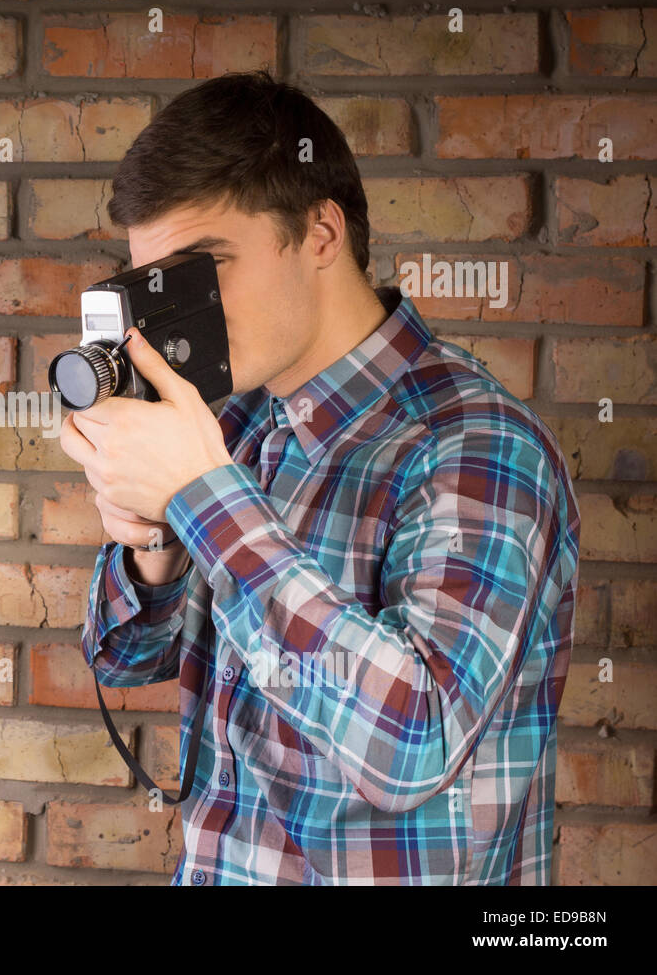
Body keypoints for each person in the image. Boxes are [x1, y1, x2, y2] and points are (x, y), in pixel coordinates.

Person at [58, 70, 580, 885]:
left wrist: (205, 499)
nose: (178, 315)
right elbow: (122, 657)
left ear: (321, 233)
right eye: (156, 285)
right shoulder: (232, 424)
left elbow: (416, 741)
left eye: (206, 268)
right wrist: (153, 533)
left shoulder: (478, 445)